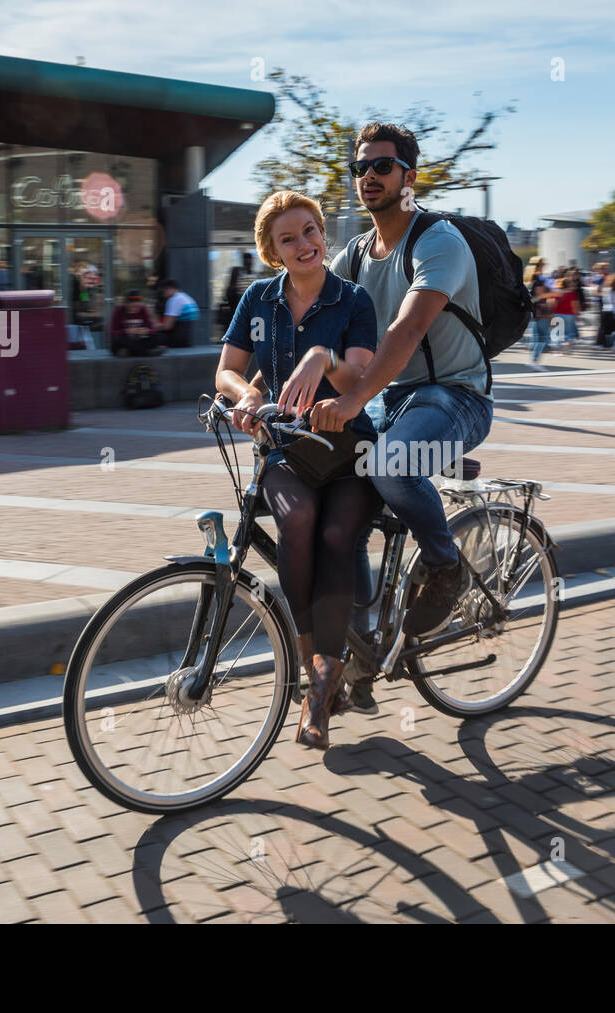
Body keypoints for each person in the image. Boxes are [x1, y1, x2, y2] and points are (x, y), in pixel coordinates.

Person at [320, 122, 494, 714]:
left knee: (391, 463)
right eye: (361, 168)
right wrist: (254, 391)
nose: (368, 176)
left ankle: (446, 568)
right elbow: (311, 323)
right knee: (340, 512)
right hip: (391, 402)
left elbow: (407, 328)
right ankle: (366, 652)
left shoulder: (438, 240)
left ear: (408, 177)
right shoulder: (353, 255)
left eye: (382, 166)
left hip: (455, 397)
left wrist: (349, 399)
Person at [216, 190, 382, 751]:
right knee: (299, 520)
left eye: (310, 230)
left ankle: (320, 688)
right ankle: (317, 667)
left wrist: (319, 358)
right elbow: (227, 371)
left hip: (351, 450)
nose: (305, 243)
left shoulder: (353, 300)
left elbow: (358, 381)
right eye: (289, 238)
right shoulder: (258, 300)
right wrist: (243, 399)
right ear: (272, 251)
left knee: (337, 535)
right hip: (287, 449)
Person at [108, 289, 164, 356]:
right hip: (125, 341)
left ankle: (129, 352)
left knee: (158, 337)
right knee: (119, 339)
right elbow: (112, 332)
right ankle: (147, 353)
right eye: (133, 306)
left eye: (137, 306)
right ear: (126, 304)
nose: (136, 309)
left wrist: (146, 331)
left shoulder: (143, 309)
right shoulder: (118, 310)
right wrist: (127, 331)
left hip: (138, 340)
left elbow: (152, 330)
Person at [524, 259, 552, 370]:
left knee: (537, 337)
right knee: (543, 337)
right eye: (543, 264)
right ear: (540, 266)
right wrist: (555, 293)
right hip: (540, 311)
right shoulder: (538, 280)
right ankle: (535, 361)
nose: (544, 266)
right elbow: (541, 296)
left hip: (533, 310)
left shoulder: (529, 278)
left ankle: (533, 360)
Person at [156, 278, 199, 347]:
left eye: (163, 291)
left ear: (169, 289)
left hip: (176, 340)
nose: (162, 294)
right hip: (188, 340)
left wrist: (153, 327)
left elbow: (167, 326)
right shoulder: (186, 297)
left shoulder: (174, 300)